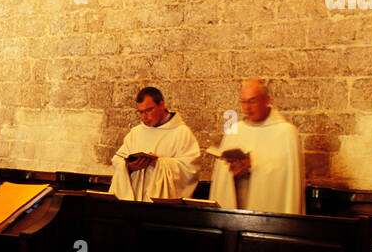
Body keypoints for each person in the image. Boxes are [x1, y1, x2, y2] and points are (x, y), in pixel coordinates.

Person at [209, 78, 305, 214]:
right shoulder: (234, 131)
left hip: (269, 216)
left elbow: (286, 181)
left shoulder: (286, 133)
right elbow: (220, 177)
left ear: (267, 100)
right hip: (238, 212)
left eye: (252, 101)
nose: (247, 107)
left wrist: (251, 169)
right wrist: (232, 172)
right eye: (243, 101)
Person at [109, 86, 201, 200]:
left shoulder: (181, 133)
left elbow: (190, 170)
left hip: (161, 205)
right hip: (136, 201)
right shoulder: (136, 133)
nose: (144, 117)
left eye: (149, 110)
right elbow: (117, 160)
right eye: (141, 112)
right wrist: (128, 166)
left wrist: (158, 163)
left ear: (161, 105)